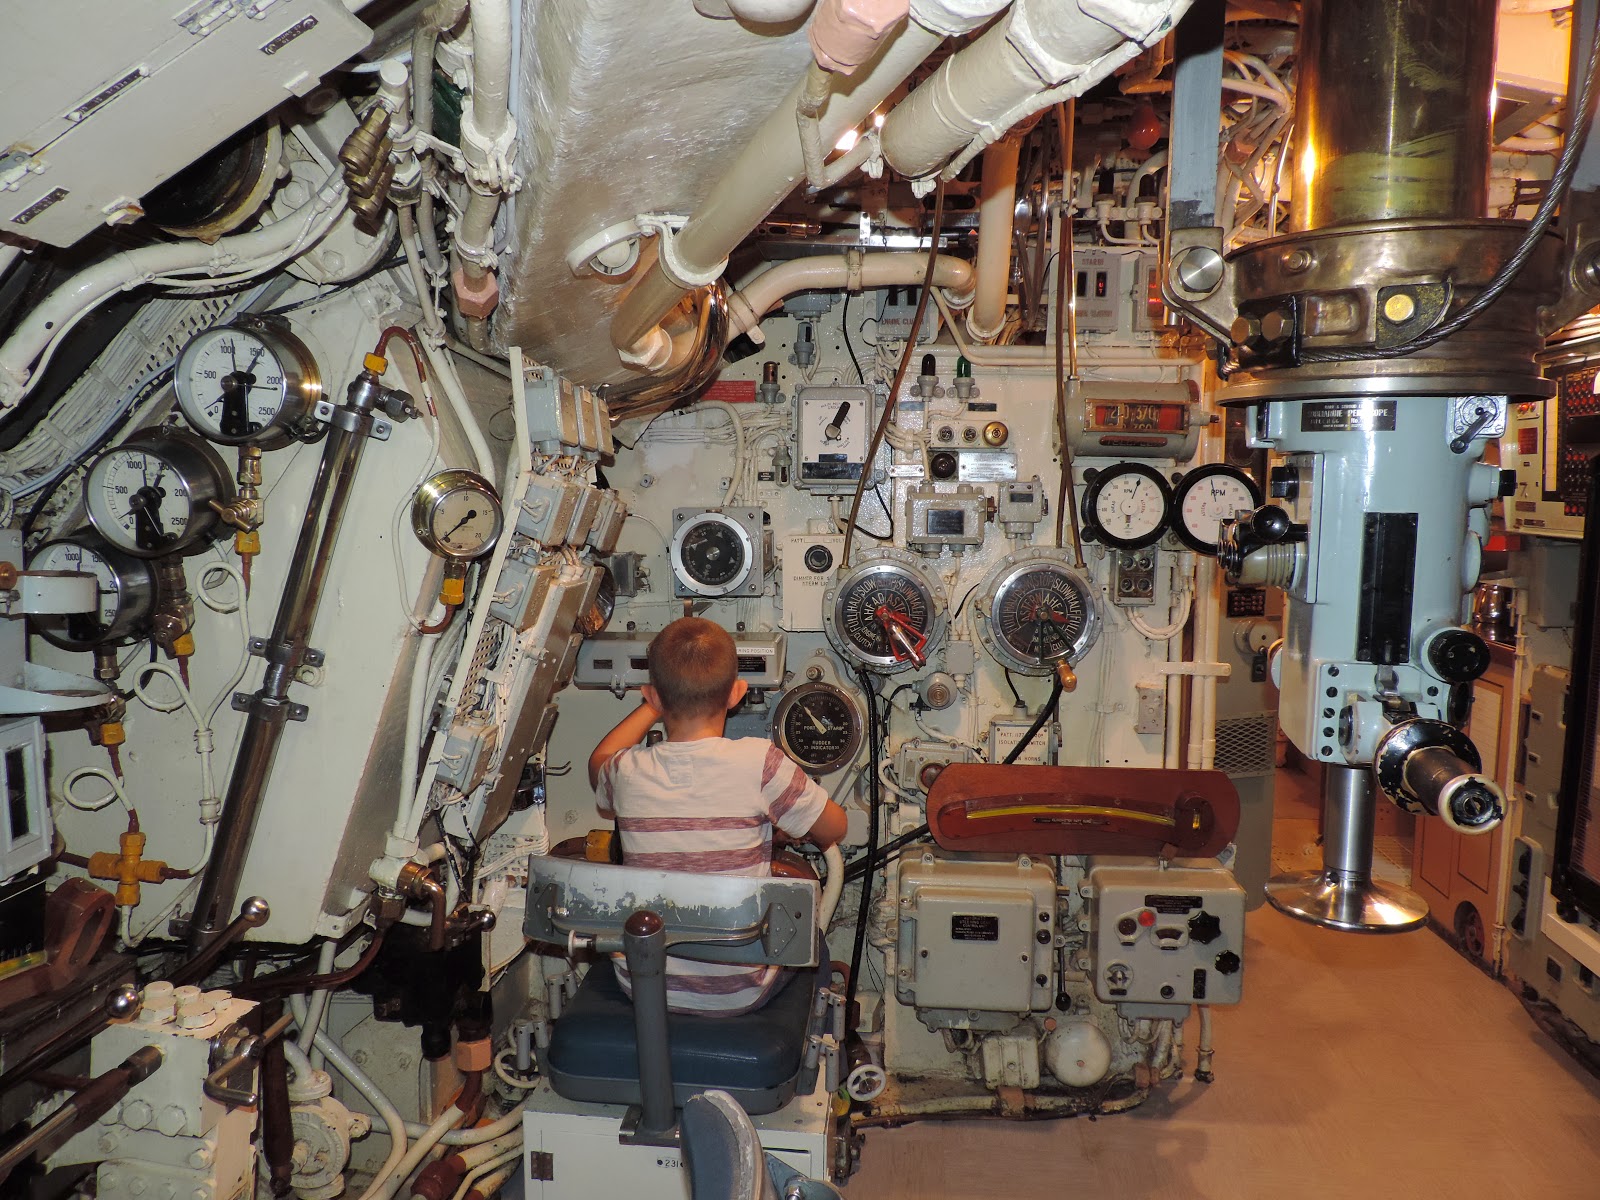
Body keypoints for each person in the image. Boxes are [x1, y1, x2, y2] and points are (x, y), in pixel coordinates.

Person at [588, 617, 848, 1015]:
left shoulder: (626, 772)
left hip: (643, 983)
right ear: (737, 693)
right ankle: (825, 1044)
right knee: (809, 936)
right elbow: (835, 828)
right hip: (739, 990)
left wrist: (651, 707)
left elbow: (598, 762)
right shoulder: (761, 762)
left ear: (651, 695)